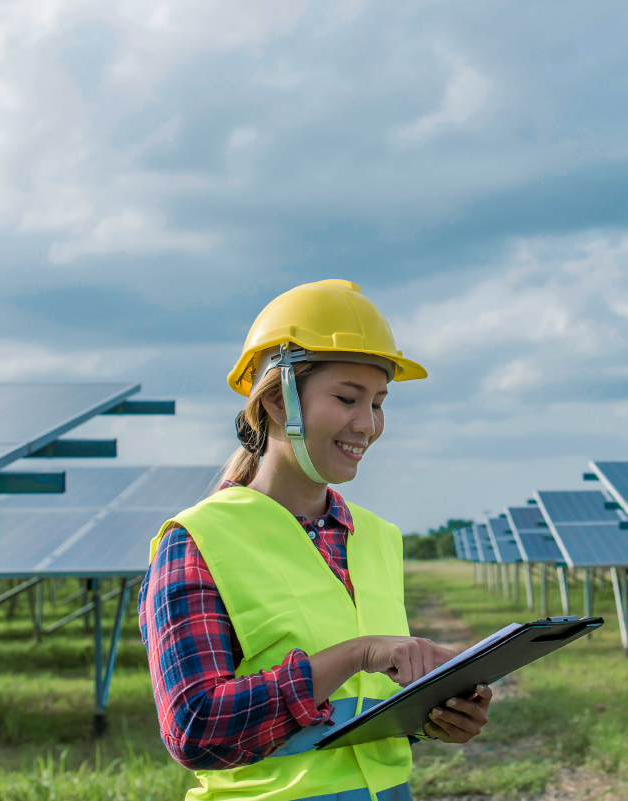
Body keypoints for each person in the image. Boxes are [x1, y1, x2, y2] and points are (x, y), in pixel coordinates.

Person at [140, 279, 493, 801]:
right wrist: (355, 654)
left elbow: (357, 711)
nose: (367, 424)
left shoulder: (376, 538)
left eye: (378, 403)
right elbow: (194, 730)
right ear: (280, 402)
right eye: (347, 398)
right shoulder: (199, 541)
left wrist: (431, 715)